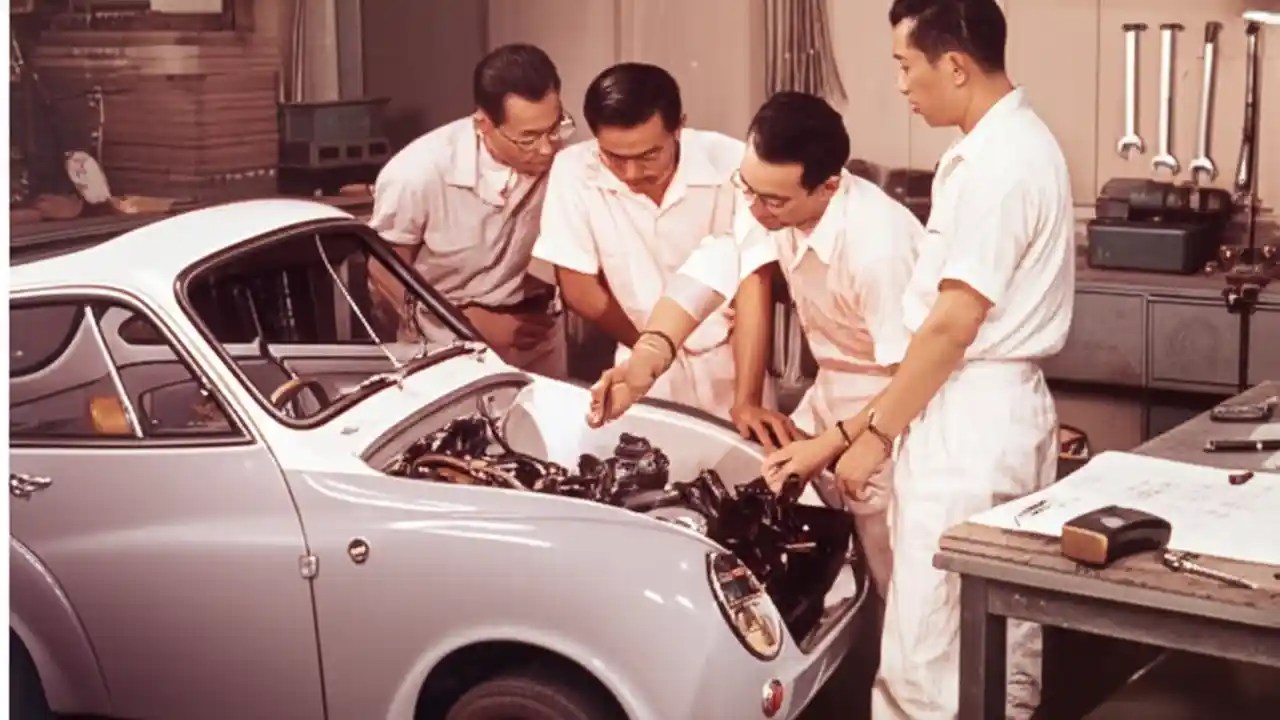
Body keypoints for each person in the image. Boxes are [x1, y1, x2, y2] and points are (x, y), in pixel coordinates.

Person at [762, 1, 1076, 717]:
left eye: (906, 65)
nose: (901, 84)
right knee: (993, 639)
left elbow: (951, 326)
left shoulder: (998, 165)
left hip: (969, 417)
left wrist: (871, 437)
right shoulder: (1006, 147)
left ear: (955, 66)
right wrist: (849, 435)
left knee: (927, 648)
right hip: (976, 408)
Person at [585, 91, 926, 598]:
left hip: (898, 410)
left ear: (829, 185)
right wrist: (646, 360)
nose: (755, 207)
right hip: (835, 391)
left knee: (899, 588)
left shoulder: (879, 247)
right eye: (747, 188)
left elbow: (916, 376)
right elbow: (715, 265)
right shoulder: (769, 204)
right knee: (785, 533)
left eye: (773, 200)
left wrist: (835, 443)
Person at [533, 62, 781, 434]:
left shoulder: (733, 164)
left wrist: (747, 398)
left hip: (731, 360)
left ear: (679, 126)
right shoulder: (573, 170)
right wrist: (651, 354)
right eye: (614, 158)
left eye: (649, 156)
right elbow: (579, 289)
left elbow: (753, 281)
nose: (631, 174)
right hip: (637, 356)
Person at [368, 43, 572, 377]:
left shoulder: (563, 159)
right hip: (444, 348)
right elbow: (385, 279)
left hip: (536, 337)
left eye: (555, 128)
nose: (547, 147)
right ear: (484, 124)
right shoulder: (417, 173)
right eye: (528, 138)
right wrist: (467, 324)